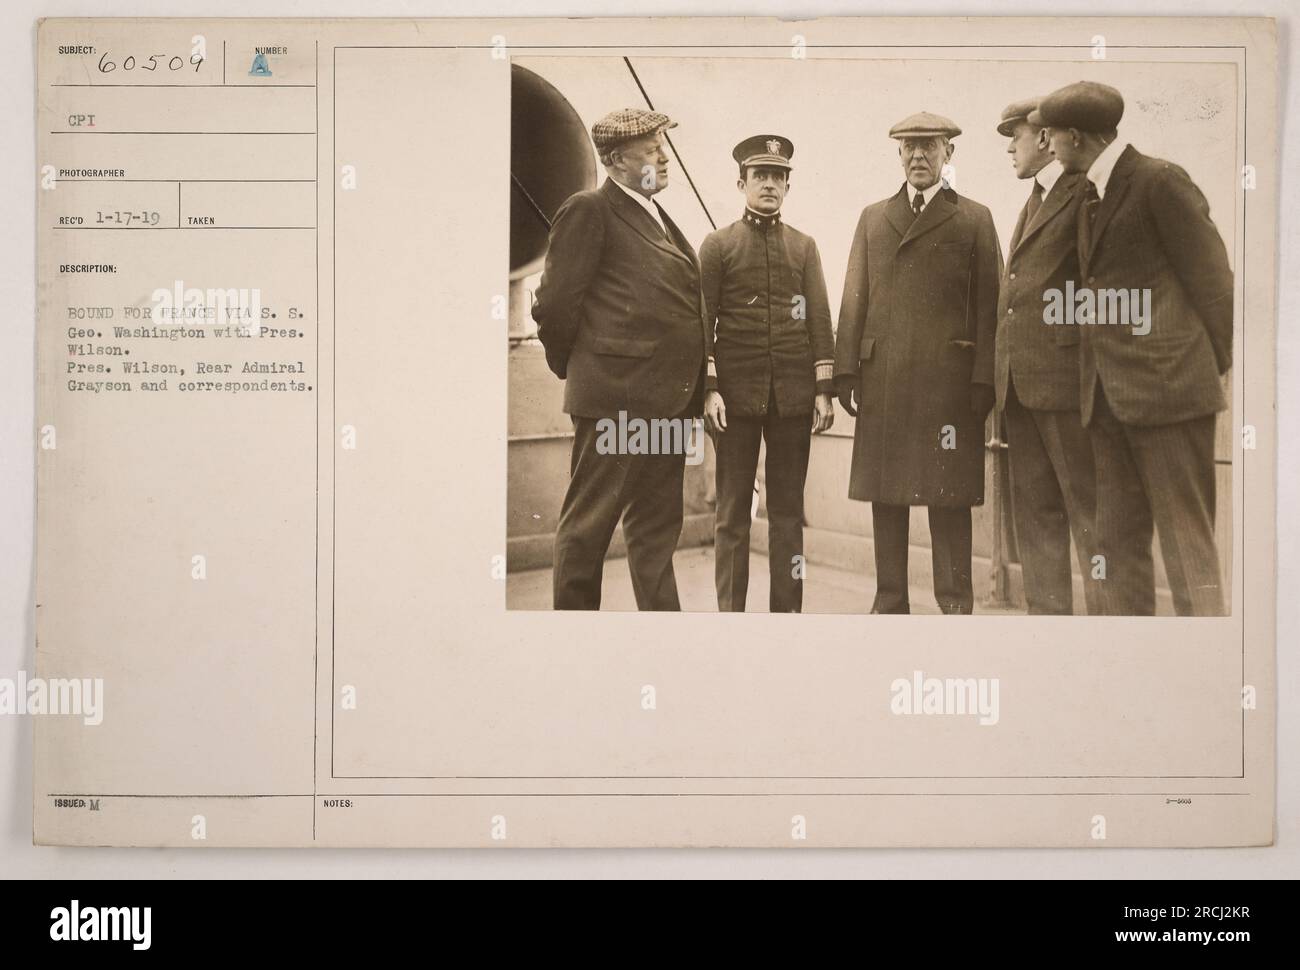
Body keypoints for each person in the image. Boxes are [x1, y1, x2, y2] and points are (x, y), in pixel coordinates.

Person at [1032, 81, 1232, 616]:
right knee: (1115, 553)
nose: (1045, 145)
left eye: (1049, 135)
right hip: (1106, 403)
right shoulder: (1088, 195)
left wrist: (1215, 369)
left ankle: (1206, 673)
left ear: (1075, 136)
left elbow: (1214, 283)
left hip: (1170, 400)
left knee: (1188, 552)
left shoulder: (1159, 182)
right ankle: (1131, 671)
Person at [532, 108, 707, 610]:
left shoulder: (658, 215)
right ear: (615, 161)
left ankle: (659, 633)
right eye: (652, 149)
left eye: (662, 146)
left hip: (669, 405)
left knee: (656, 531)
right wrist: (586, 370)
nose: (664, 156)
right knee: (589, 529)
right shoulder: (589, 209)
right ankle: (574, 635)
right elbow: (554, 305)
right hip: (618, 403)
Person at [833, 112, 1001, 614]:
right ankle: (890, 604)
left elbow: (990, 307)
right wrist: (846, 372)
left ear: (950, 153)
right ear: (898, 153)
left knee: (947, 499)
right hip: (884, 380)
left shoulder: (973, 217)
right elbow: (853, 298)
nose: (918, 155)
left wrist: (983, 380)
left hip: (947, 388)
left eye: (929, 146)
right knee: (888, 497)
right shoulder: (872, 217)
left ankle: (953, 605)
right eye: (909, 146)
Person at [699, 135, 835, 612]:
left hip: (793, 401)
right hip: (733, 402)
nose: (770, 185)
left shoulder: (804, 247)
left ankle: (786, 615)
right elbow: (703, 324)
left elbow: (819, 317)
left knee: (787, 515)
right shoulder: (718, 246)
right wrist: (710, 390)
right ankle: (731, 618)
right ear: (742, 183)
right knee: (732, 513)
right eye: (761, 176)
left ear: (787, 186)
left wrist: (823, 390)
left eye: (779, 177)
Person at [994, 97, 1101, 614]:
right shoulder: (1032, 201)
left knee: (1089, 516)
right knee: (1035, 515)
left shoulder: (1083, 194)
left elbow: (1099, 285)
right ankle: (1048, 630)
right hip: (1019, 387)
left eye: (1012, 137)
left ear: (1043, 139)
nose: (1008, 149)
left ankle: (1108, 637)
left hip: (1065, 386)